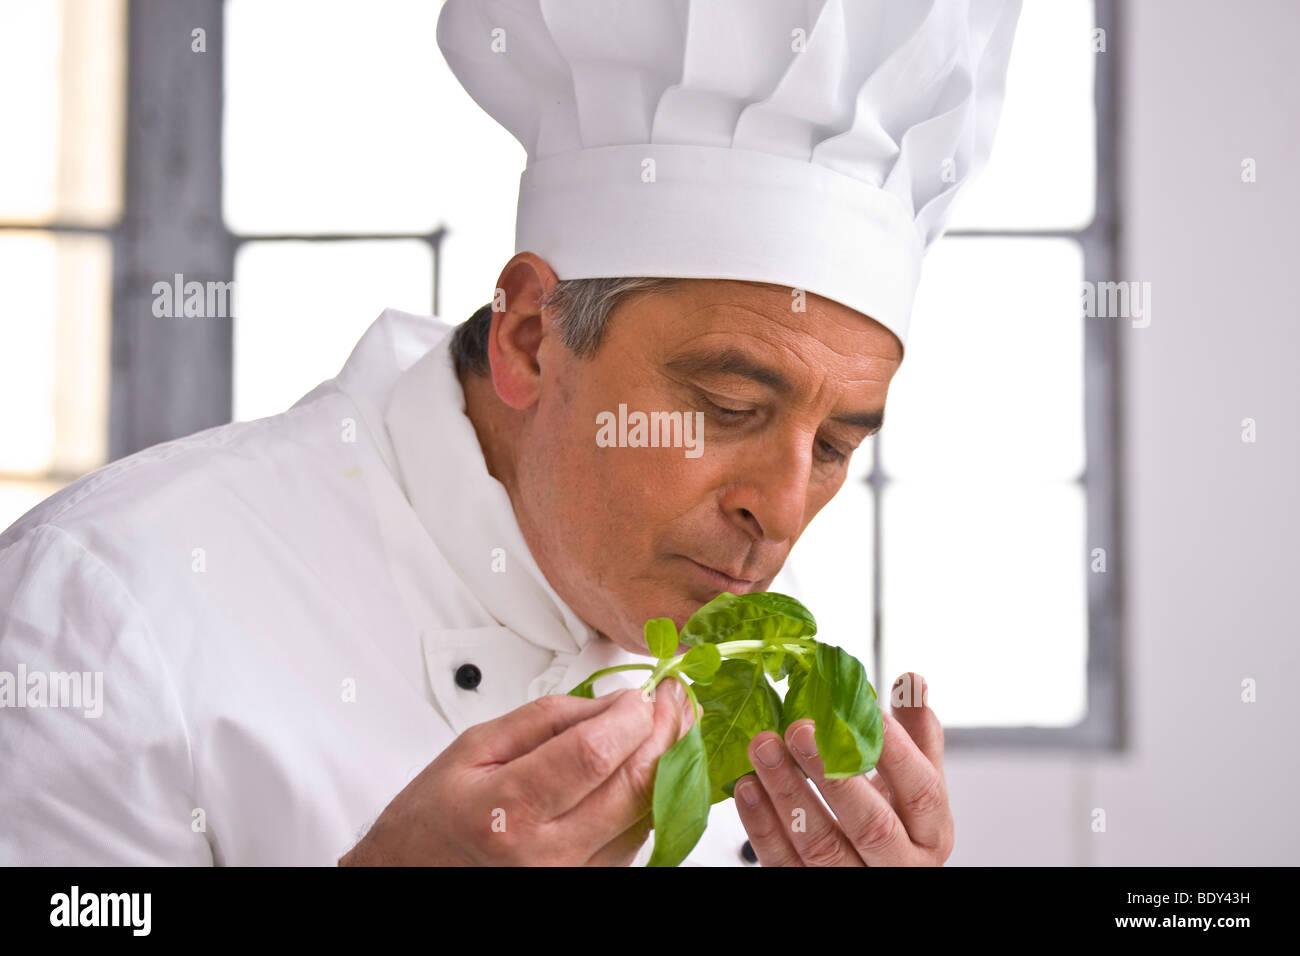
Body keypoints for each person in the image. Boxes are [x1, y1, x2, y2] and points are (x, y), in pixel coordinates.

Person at [0, 0, 1021, 865]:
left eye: (836, 443)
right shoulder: (100, 609)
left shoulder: (744, 709)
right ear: (530, 335)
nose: (783, 508)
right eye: (725, 407)